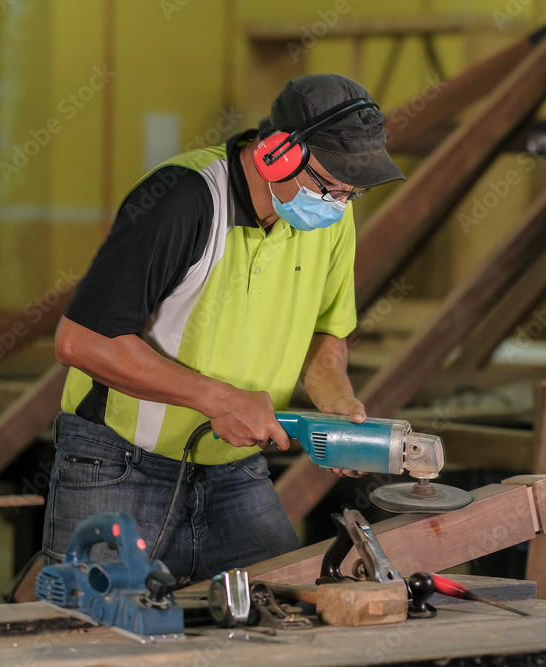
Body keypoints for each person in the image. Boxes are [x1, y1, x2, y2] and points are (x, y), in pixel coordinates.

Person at [43, 73, 404, 584]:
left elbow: (325, 336)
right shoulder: (183, 198)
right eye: (330, 184)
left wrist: (337, 401)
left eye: (354, 190)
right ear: (276, 154)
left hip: (235, 467)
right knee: (99, 625)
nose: (340, 202)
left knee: (290, 606)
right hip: (118, 463)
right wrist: (220, 400)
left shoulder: (330, 221)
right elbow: (81, 342)